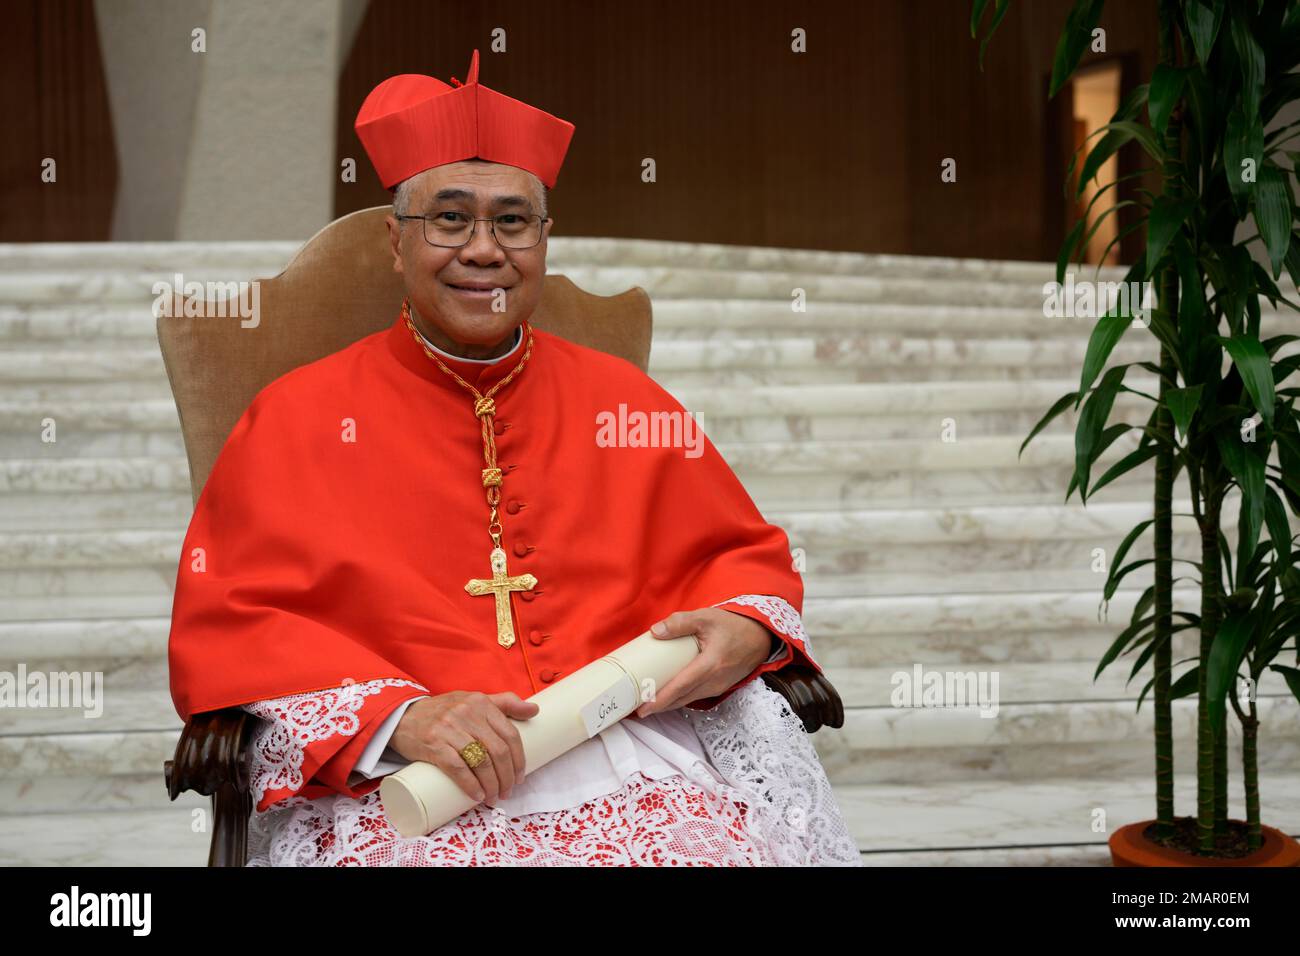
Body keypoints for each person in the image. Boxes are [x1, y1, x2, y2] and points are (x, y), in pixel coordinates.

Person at [167, 49, 859, 867]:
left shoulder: (625, 401)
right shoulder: (296, 417)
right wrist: (398, 719)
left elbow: (740, 557)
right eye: (449, 219)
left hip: (628, 755)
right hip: (409, 783)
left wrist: (745, 627)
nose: (484, 250)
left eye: (512, 221)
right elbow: (237, 619)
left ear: (544, 238)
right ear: (396, 242)